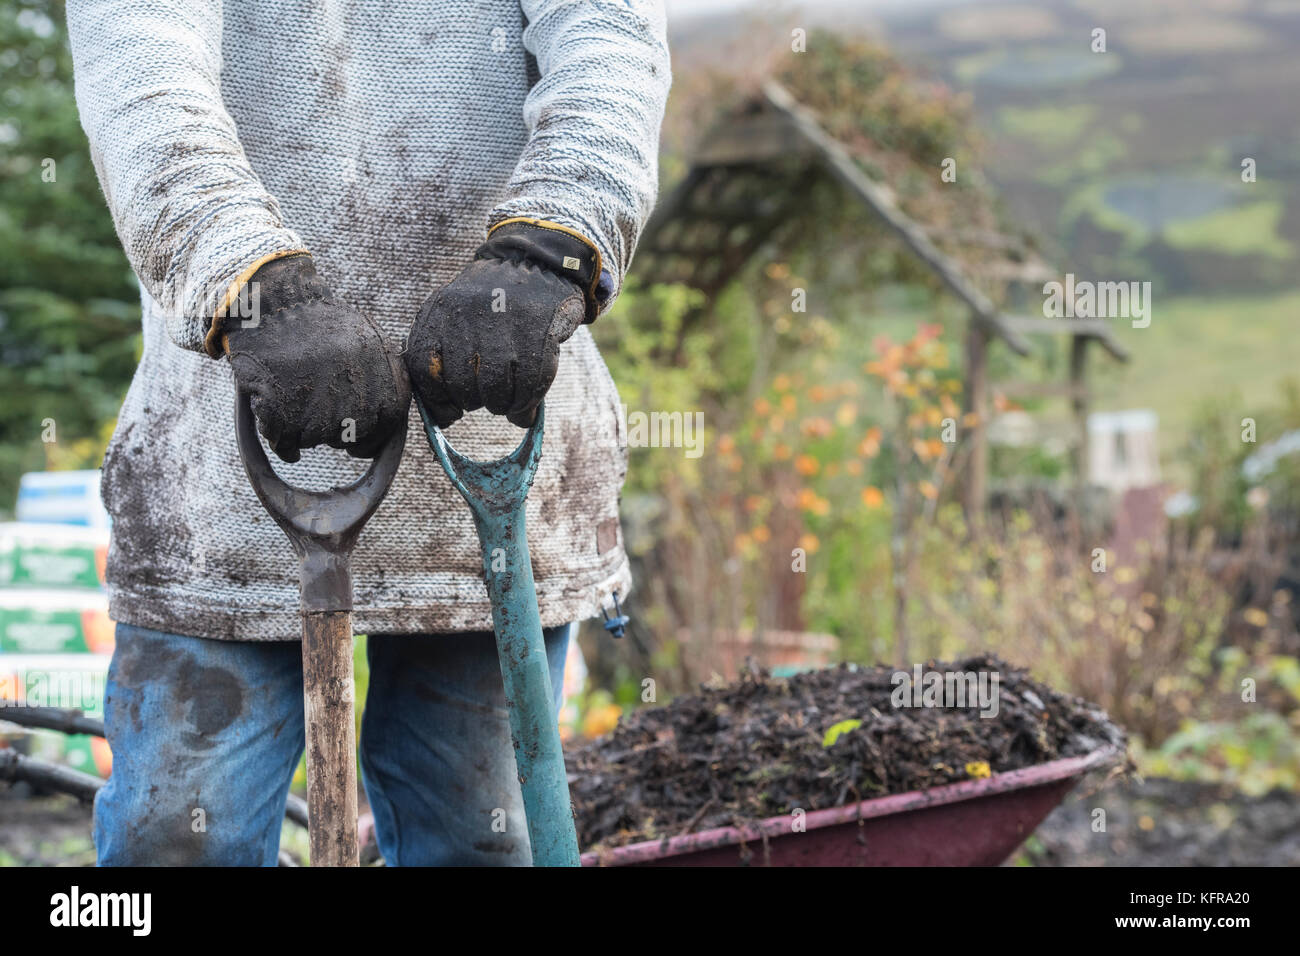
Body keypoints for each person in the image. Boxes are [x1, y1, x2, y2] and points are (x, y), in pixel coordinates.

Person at [66, 0, 670, 865]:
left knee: (478, 838)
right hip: (222, 472)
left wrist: (551, 244)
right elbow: (143, 63)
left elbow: (608, 37)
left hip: (490, 468)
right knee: (174, 841)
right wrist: (248, 278)